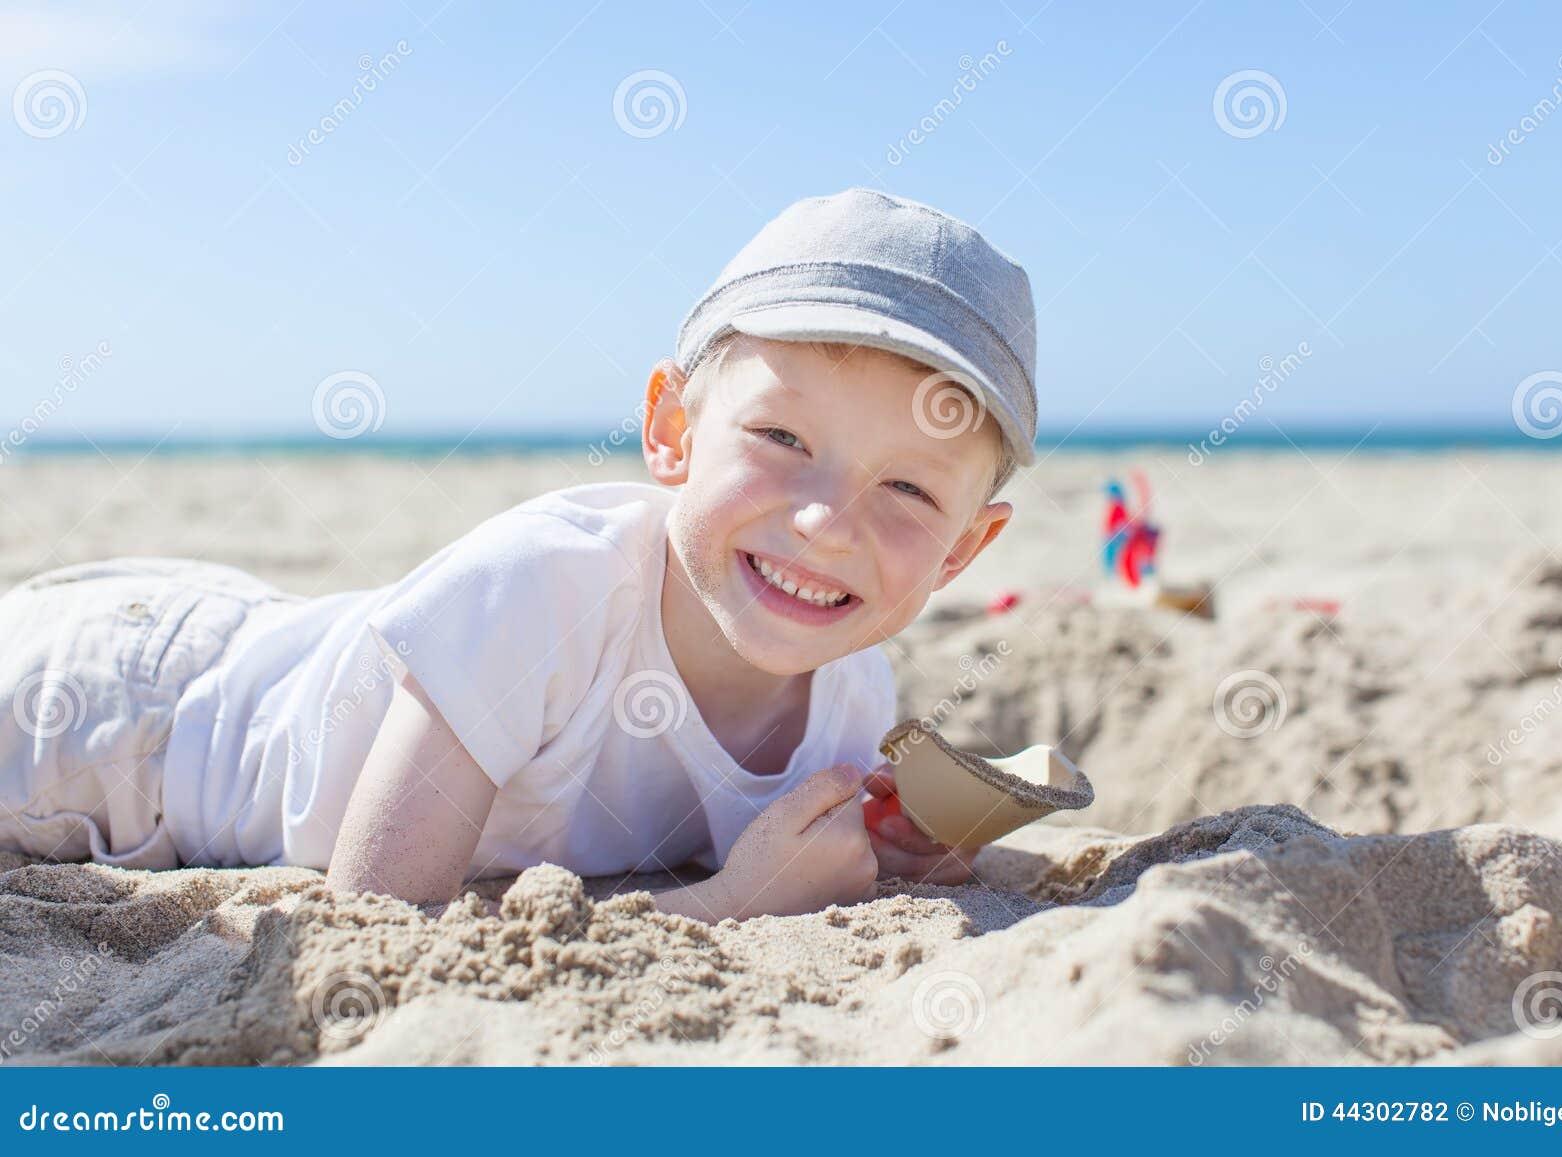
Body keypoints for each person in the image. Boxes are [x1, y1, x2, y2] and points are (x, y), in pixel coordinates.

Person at [0, 188, 1039, 922]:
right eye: (781, 439)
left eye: (906, 489)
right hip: (125, 726)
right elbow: (372, 923)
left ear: (962, 549)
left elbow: (751, 839)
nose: (826, 523)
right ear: (673, 428)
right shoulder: (545, 591)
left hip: (276, 632)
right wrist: (728, 905)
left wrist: (884, 852)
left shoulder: (854, 694)